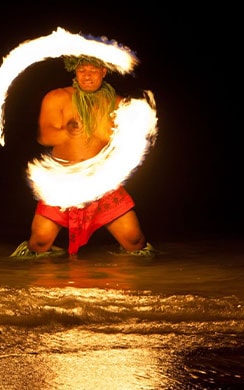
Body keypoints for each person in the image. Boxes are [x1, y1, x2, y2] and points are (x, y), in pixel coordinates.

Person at [11, 55, 155, 258]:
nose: (87, 76)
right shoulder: (57, 97)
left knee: (134, 240)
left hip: (102, 183)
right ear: (75, 72)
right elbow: (44, 135)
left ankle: (132, 283)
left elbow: (125, 141)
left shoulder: (117, 104)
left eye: (93, 71)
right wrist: (66, 131)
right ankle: (41, 283)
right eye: (82, 71)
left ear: (103, 72)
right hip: (62, 182)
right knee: (40, 241)